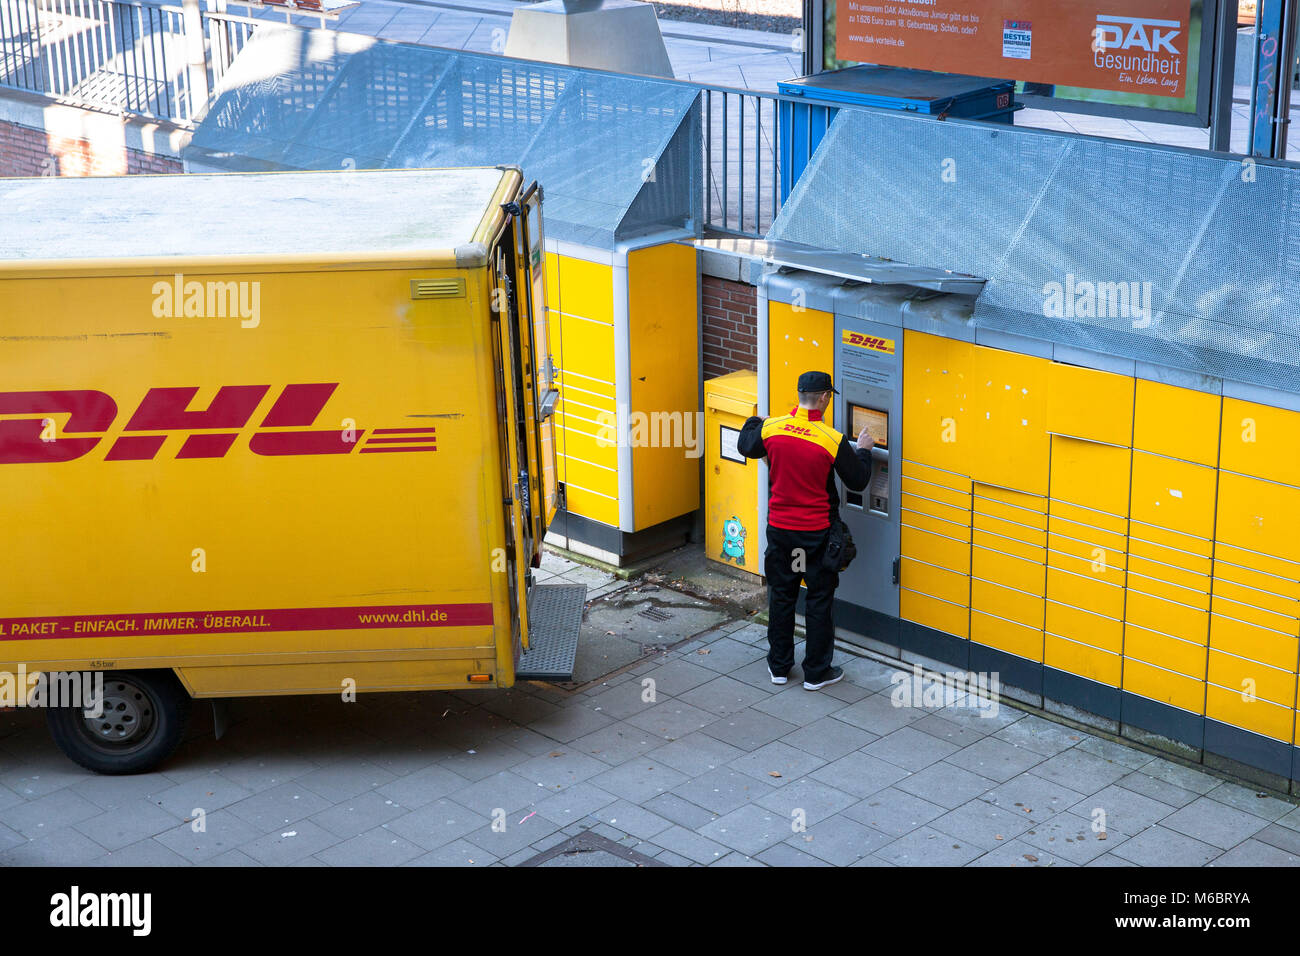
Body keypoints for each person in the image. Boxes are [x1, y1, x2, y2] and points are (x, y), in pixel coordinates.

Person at [737, 371, 874, 690]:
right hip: (816, 535)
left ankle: (780, 667)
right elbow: (858, 480)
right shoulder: (831, 439)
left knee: (782, 596)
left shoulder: (772, 428)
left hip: (782, 533)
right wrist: (864, 450)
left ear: (799, 394)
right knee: (819, 600)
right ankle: (816, 672)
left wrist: (756, 421)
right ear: (825, 398)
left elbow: (747, 445)